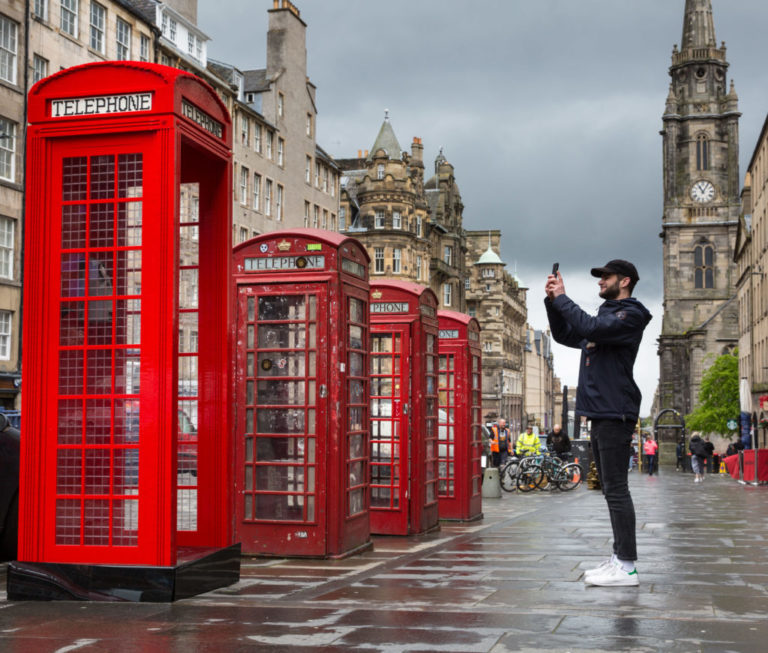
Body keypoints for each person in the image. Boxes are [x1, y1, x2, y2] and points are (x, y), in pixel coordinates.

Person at [545, 259, 651, 587]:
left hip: (615, 410)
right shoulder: (605, 317)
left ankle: (628, 567)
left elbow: (590, 329)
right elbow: (565, 334)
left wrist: (564, 297)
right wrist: (551, 301)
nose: (600, 281)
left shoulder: (630, 314)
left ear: (626, 280)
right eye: (600, 277)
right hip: (600, 412)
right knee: (610, 490)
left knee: (617, 490)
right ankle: (619, 558)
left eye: (606, 276)